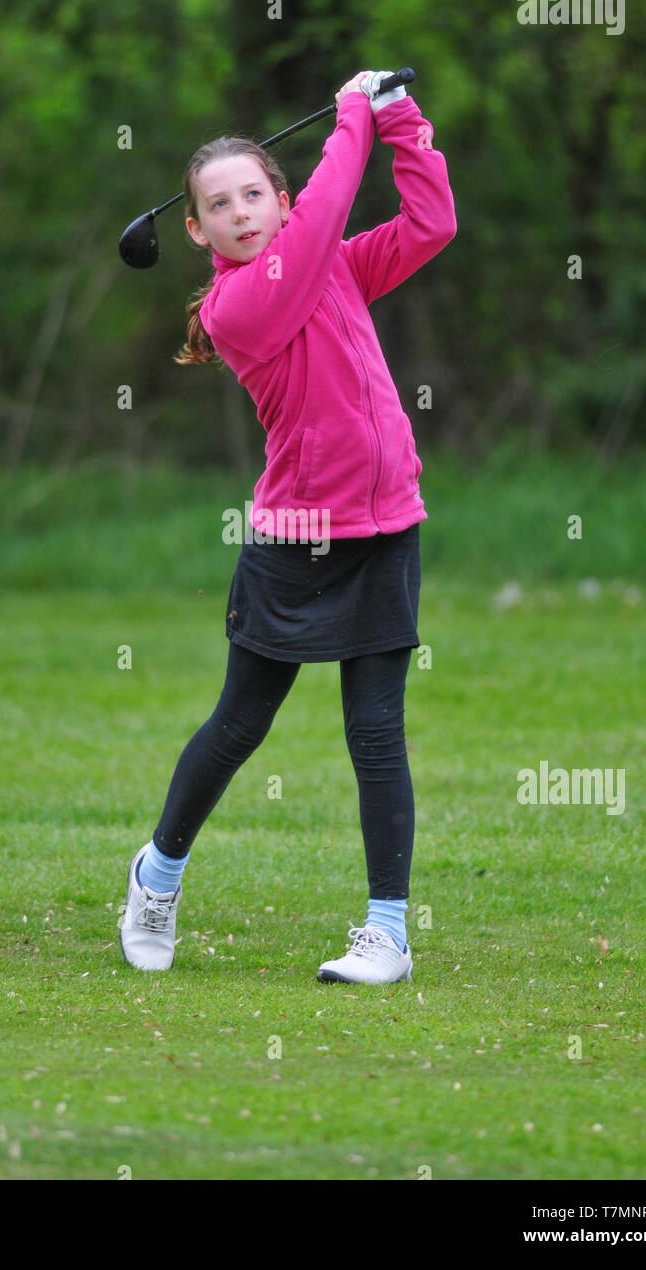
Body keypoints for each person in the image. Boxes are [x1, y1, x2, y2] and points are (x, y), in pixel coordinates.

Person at [119, 69, 457, 984]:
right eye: (217, 204)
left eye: (251, 194)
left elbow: (431, 225)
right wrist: (351, 113)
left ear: (277, 197)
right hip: (297, 541)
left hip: (386, 525)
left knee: (377, 734)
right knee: (239, 724)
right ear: (195, 229)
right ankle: (157, 874)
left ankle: (386, 929)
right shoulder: (239, 306)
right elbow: (319, 224)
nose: (238, 212)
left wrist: (400, 125)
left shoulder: (332, 263)